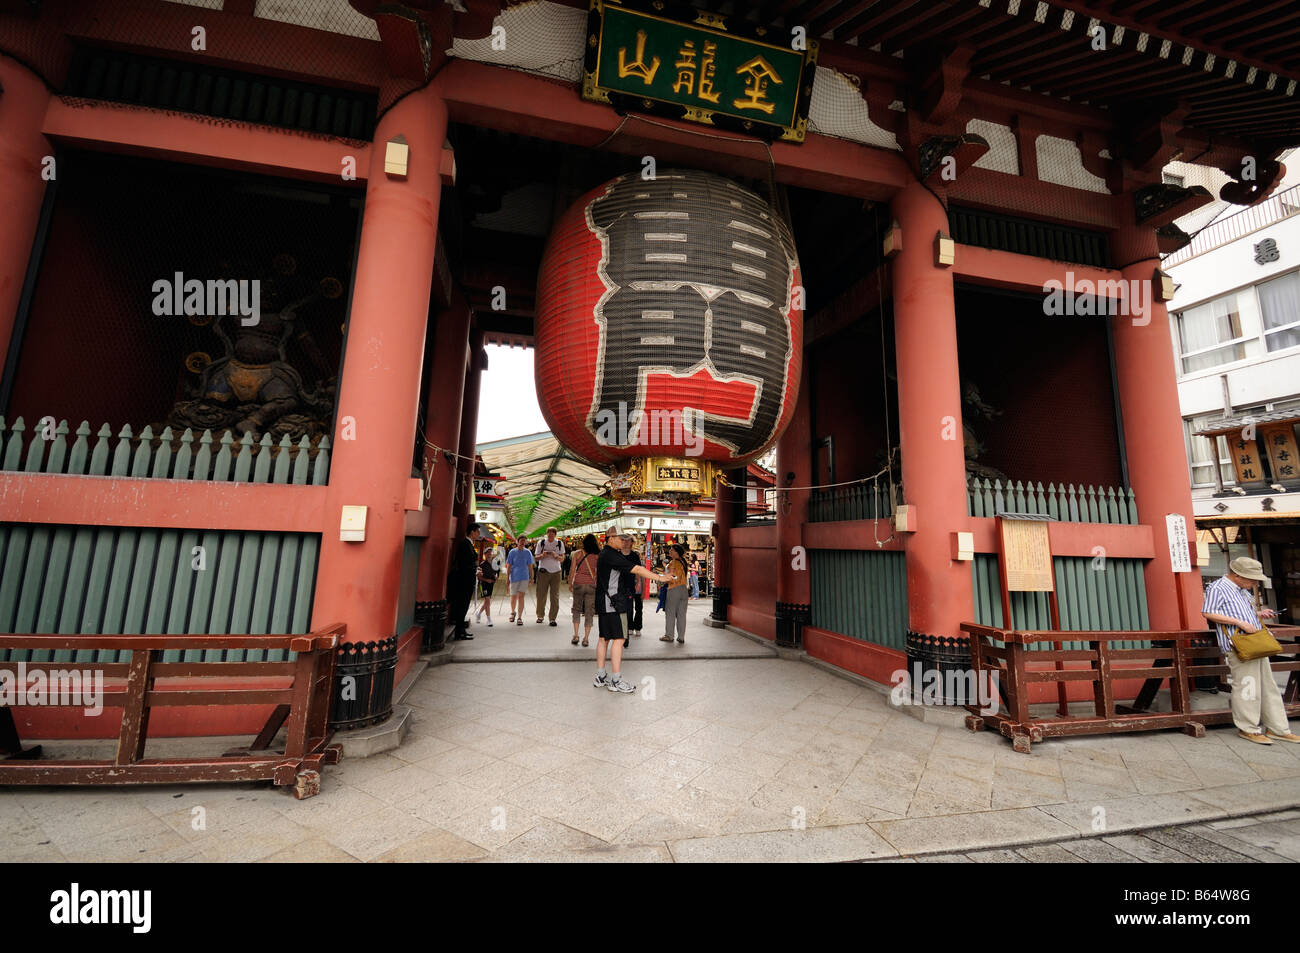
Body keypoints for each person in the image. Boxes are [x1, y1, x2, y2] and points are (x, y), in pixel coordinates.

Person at [1202, 556, 1300, 745]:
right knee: (1247, 686)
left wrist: (1259, 614)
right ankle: (1249, 728)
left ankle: (1278, 727)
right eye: (1251, 579)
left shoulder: (1241, 590)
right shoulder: (1217, 588)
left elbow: (1239, 611)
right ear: (1237, 575)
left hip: (1255, 642)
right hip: (1239, 644)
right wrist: (1239, 622)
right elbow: (1208, 612)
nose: (1254, 582)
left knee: (1268, 686)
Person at [594, 526, 670, 694]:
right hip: (613, 602)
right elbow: (637, 569)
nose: (624, 541)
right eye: (621, 538)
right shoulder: (612, 555)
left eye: (625, 538)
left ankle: (600, 676)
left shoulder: (605, 554)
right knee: (619, 639)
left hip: (604, 601)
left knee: (603, 638)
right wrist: (660, 578)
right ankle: (615, 679)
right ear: (610, 538)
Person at [447, 521, 482, 641]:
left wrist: (475, 569)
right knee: (462, 606)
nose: (479, 534)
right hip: (463, 581)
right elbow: (464, 564)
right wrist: (475, 571)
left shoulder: (468, 544)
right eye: (478, 532)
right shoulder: (465, 544)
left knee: (464, 606)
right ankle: (459, 632)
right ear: (472, 532)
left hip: (466, 580)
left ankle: (461, 630)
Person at [568, 533, 599, 647]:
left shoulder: (578, 554)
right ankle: (586, 638)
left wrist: (570, 583)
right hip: (591, 585)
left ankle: (576, 635)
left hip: (579, 583)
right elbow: (599, 572)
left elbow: (572, 570)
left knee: (576, 609)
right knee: (589, 611)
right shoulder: (597, 555)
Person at [659, 543, 690, 644]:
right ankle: (681, 636)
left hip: (674, 589)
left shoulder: (673, 562)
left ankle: (669, 635)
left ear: (676, 552)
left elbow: (674, 577)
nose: (670, 551)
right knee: (681, 614)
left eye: (672, 550)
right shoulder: (684, 562)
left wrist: (664, 578)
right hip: (684, 590)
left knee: (670, 613)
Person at [533, 527, 564, 626]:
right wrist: (543, 555)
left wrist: (556, 556)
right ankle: (540, 615)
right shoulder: (541, 543)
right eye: (549, 534)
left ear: (555, 534)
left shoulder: (559, 543)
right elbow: (536, 557)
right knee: (541, 595)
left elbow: (562, 558)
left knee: (555, 596)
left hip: (556, 572)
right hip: (543, 571)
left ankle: (552, 618)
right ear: (546, 534)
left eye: (552, 534)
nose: (550, 536)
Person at [505, 536, 534, 626]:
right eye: (521, 541)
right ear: (517, 542)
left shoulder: (528, 552)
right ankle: (513, 612)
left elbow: (530, 566)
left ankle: (519, 617)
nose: (522, 542)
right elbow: (509, 565)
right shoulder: (512, 552)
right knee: (513, 596)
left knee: (521, 596)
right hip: (514, 577)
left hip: (524, 577)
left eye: (524, 541)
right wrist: (507, 579)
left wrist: (531, 577)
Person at [475, 546, 498, 628]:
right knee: (487, 600)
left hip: (491, 584)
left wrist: (496, 576)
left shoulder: (494, 563)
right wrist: (486, 580)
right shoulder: (482, 564)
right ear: (485, 554)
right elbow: (478, 576)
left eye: (490, 553)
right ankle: (489, 619)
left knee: (487, 601)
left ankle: (478, 613)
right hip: (484, 584)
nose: (489, 554)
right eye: (487, 553)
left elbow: (495, 572)